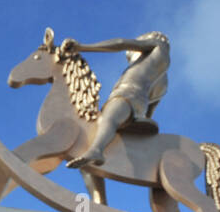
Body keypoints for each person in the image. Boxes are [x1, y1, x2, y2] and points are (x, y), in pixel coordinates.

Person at [62, 31, 171, 169]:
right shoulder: (162, 76)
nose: (130, 55)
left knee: (107, 119)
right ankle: (97, 155)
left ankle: (96, 150)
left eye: (132, 52)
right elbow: (152, 107)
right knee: (101, 128)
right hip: (136, 103)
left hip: (127, 94)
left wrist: (82, 47)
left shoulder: (157, 45)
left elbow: (120, 43)